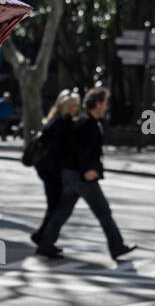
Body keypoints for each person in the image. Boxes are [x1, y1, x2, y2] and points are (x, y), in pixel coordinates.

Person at [36, 86, 136, 262]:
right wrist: (88, 170)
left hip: (73, 175)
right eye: (105, 102)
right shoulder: (86, 123)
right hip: (81, 176)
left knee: (63, 211)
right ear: (97, 103)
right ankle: (116, 246)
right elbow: (78, 151)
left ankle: (45, 244)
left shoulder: (86, 122)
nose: (107, 106)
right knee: (103, 211)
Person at [30, 89, 80, 253]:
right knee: (55, 205)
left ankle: (42, 235)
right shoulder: (63, 124)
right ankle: (44, 239)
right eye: (74, 106)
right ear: (67, 107)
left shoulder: (53, 120)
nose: (76, 109)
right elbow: (64, 150)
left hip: (47, 169)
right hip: (53, 170)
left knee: (54, 205)